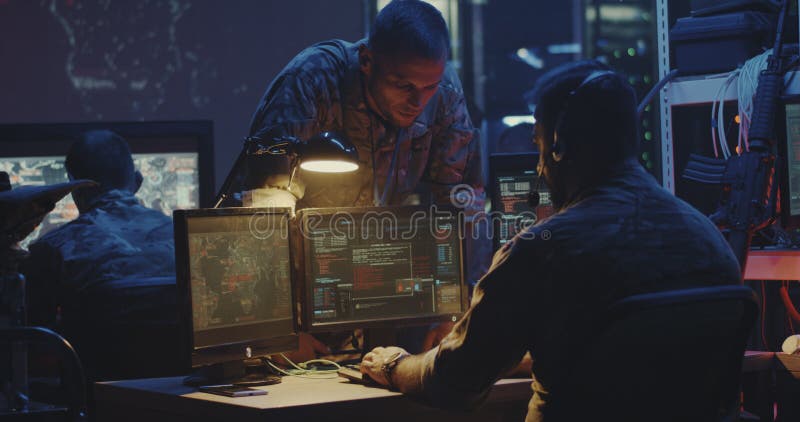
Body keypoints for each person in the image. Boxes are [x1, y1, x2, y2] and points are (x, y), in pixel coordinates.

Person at [358, 61, 742, 421]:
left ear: (558, 145)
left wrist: (394, 364)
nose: (540, 167)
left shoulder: (541, 251)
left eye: (539, 144)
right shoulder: (708, 240)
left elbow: (454, 382)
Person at [245, 0, 487, 358]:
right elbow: (267, 206)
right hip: (299, 295)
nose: (416, 101)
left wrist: (456, 310)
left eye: (428, 86)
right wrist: (275, 327)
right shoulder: (311, 81)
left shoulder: (444, 91)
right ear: (367, 61)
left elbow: (461, 205)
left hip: (379, 289)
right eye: (402, 84)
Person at [22, 130, 178, 379]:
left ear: (76, 190)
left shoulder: (53, 249)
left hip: (95, 402)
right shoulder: (185, 239)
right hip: (185, 402)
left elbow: (31, 341)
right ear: (137, 181)